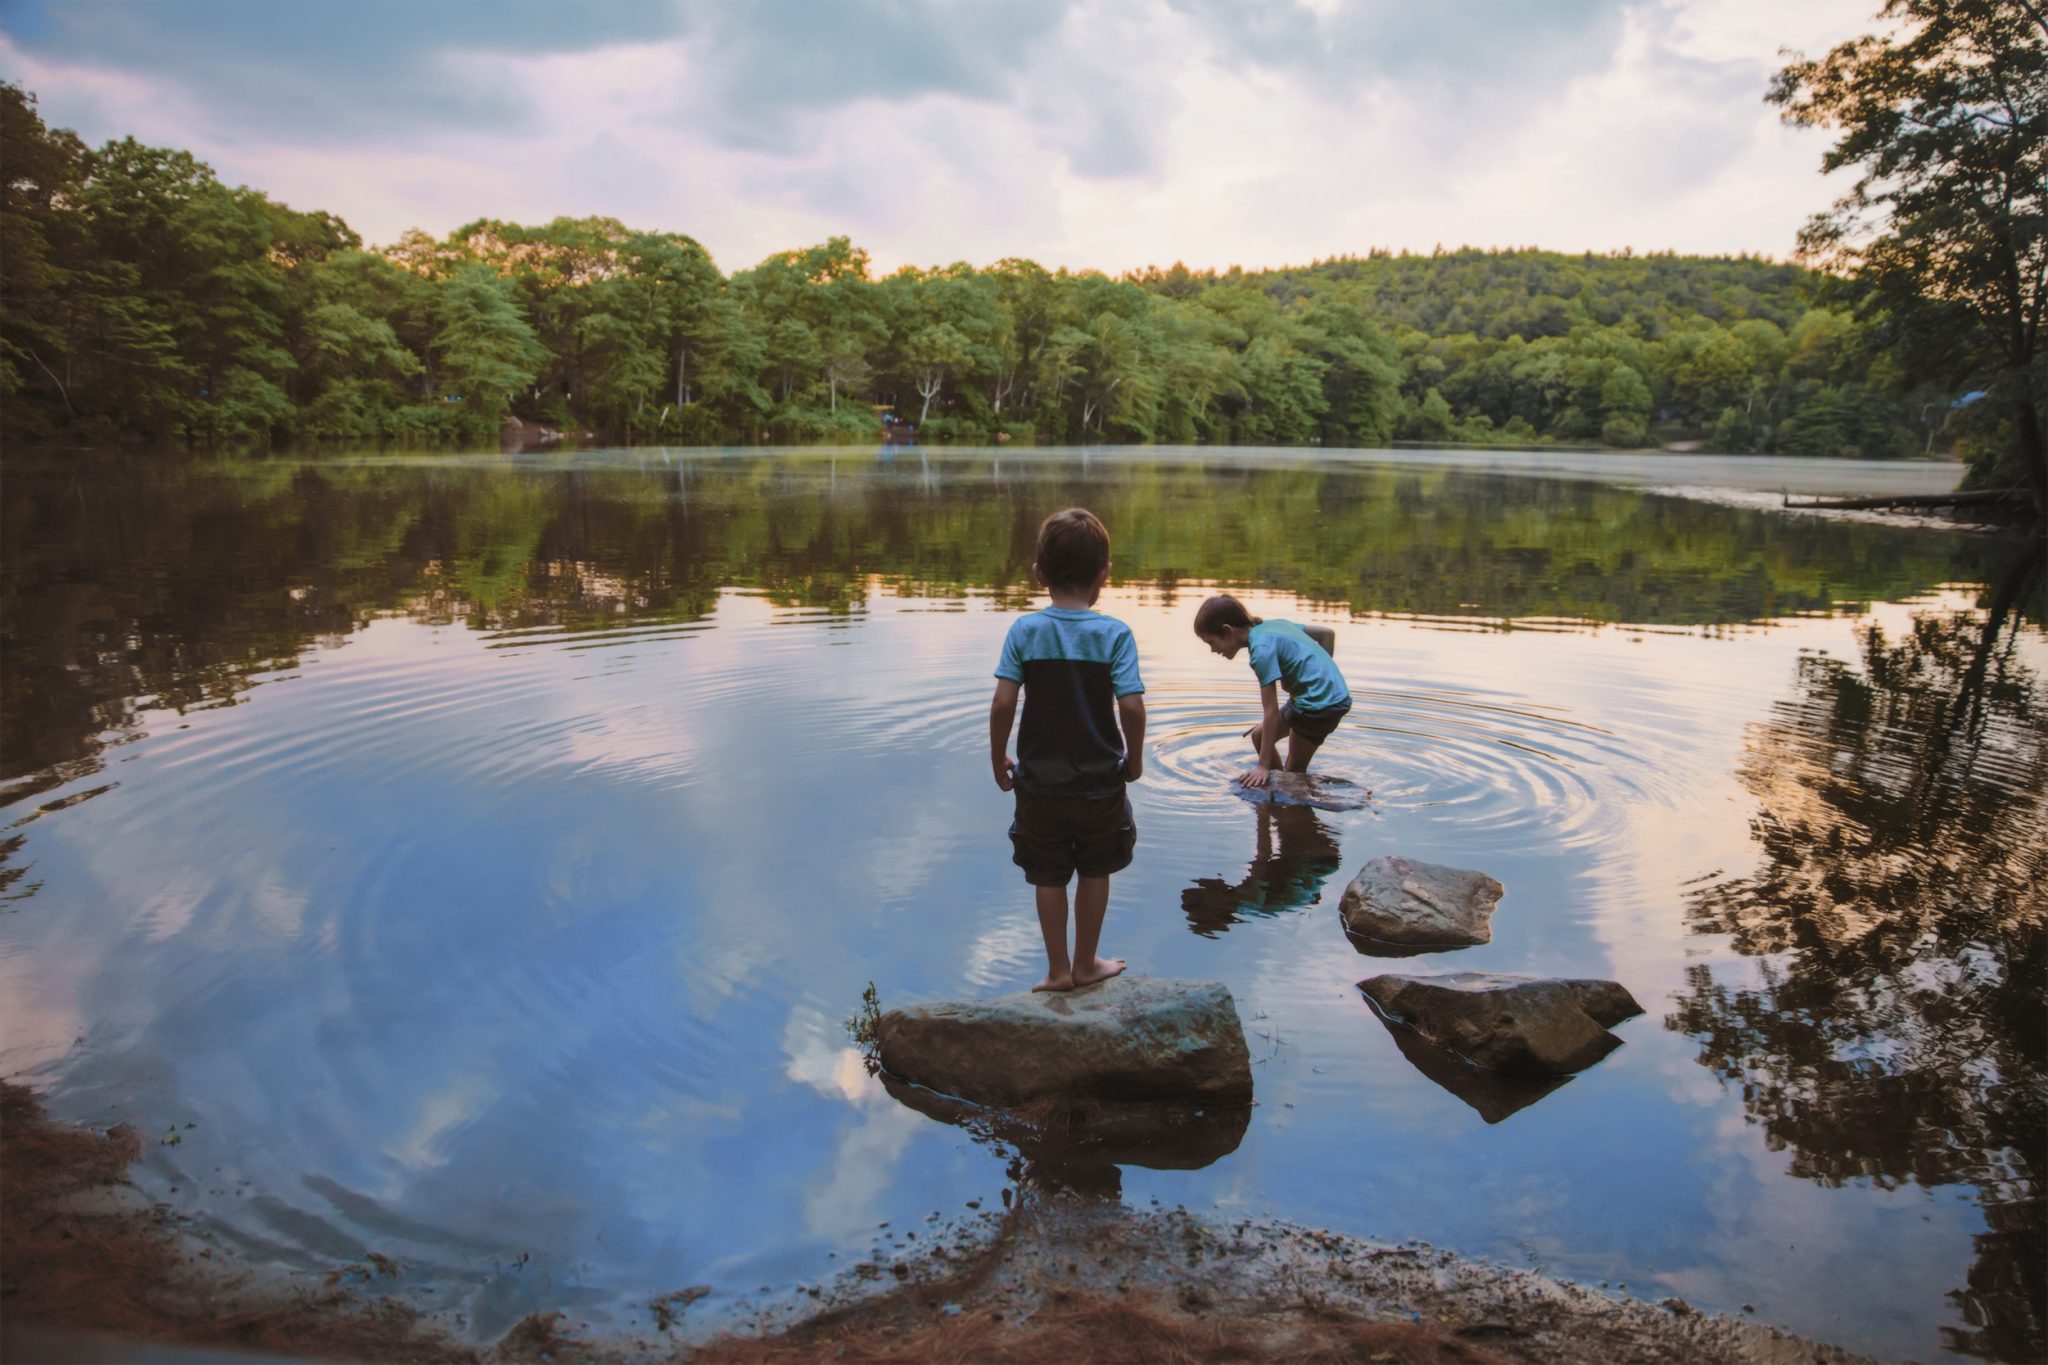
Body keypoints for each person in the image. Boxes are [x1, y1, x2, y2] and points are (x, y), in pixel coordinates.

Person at [989, 508, 1146, 992]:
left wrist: (999, 760)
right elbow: (1133, 708)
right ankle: (1086, 964)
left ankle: (1057, 971)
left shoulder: (1024, 632)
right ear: (1105, 575)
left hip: (1039, 783)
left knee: (1049, 874)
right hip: (1099, 782)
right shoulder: (1114, 634)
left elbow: (1002, 704)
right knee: (1096, 868)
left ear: (1039, 573)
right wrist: (1134, 760)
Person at [1193, 594, 1350, 788]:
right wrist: (1322, 674)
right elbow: (1327, 634)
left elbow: (1271, 711)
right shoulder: (1274, 625)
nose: (1213, 650)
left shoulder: (1260, 651)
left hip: (1320, 707)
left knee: (1293, 776)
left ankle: (1294, 794)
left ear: (1227, 631)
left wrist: (1263, 765)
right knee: (1258, 736)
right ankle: (1275, 790)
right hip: (1312, 698)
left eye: (1211, 642)